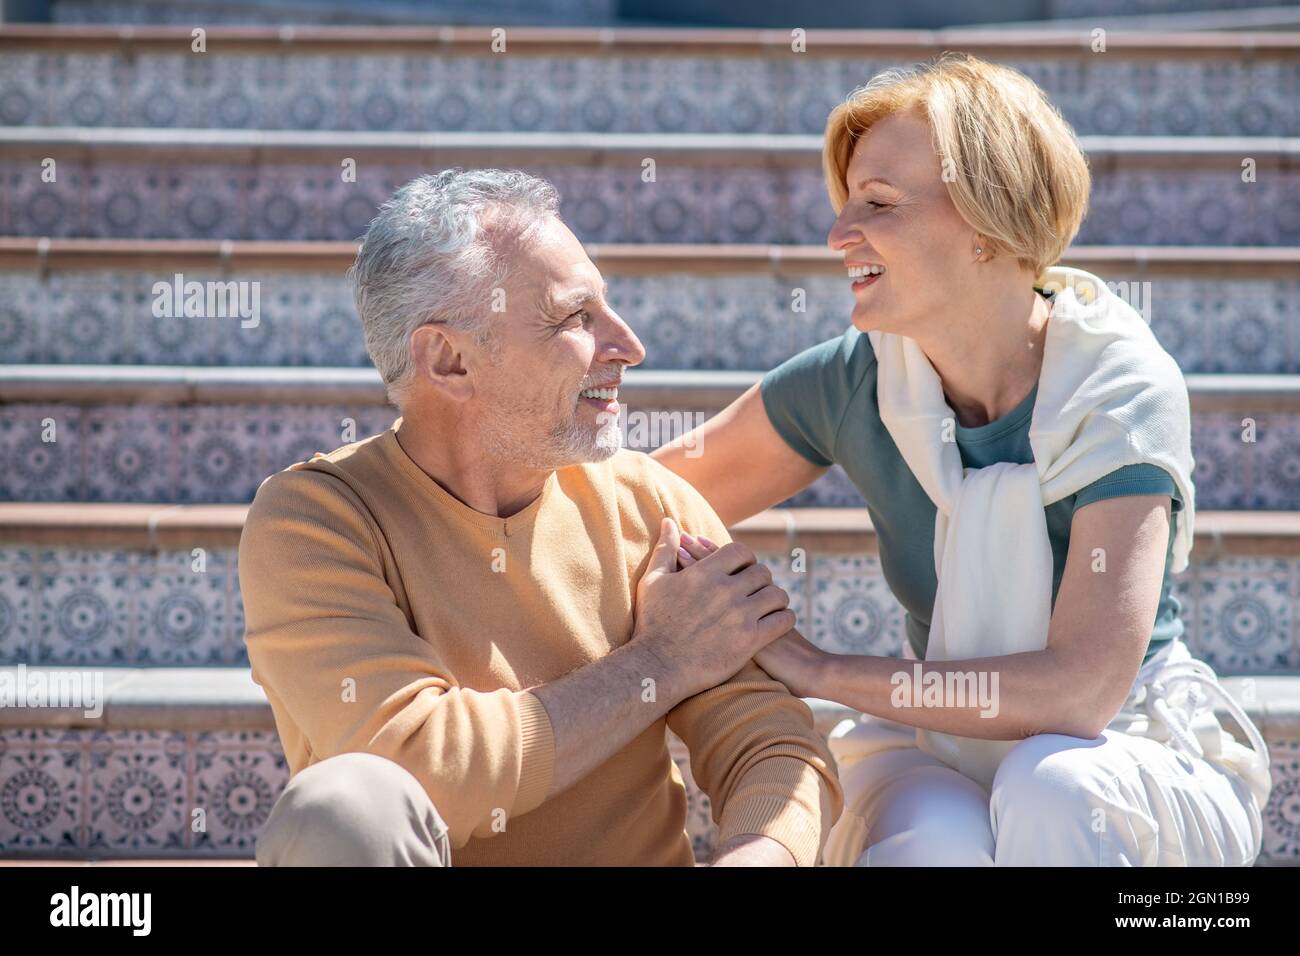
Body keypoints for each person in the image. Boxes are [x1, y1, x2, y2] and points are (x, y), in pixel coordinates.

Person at [654, 54, 1270, 866]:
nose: (840, 235)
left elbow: (1080, 693)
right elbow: (638, 498)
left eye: (877, 204)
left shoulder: (1120, 389)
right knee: (931, 844)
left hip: (1121, 741)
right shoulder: (858, 376)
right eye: (845, 204)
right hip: (936, 733)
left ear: (987, 223)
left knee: (1052, 790)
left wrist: (819, 668)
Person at [239, 168, 841, 867]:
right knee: (343, 808)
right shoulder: (315, 521)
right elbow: (429, 768)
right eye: (576, 318)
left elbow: (772, 744)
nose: (629, 345)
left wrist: (758, 855)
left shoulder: (652, 503)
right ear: (449, 359)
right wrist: (661, 661)